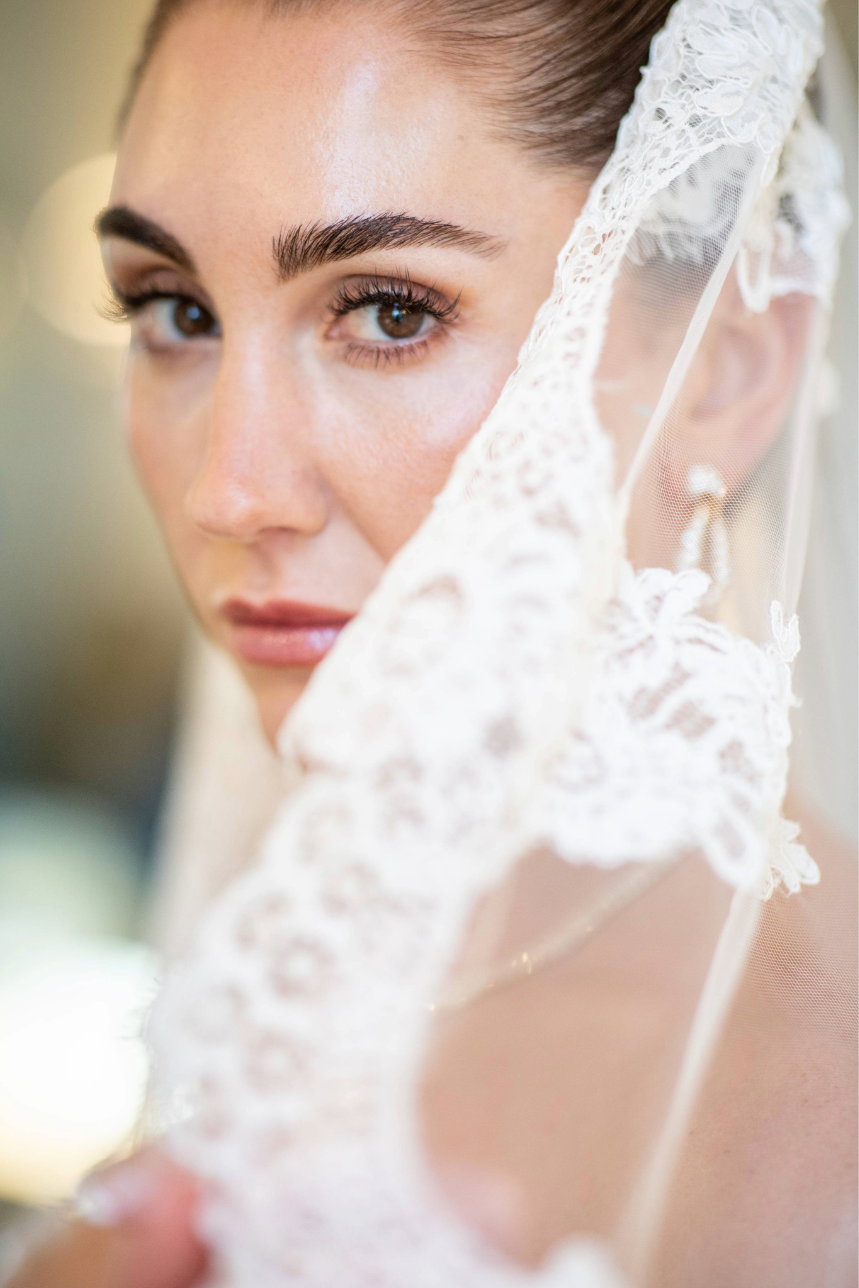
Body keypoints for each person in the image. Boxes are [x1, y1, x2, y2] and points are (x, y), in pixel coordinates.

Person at [7, 0, 856, 1285]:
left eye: (391, 312)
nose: (230, 494)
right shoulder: (295, 955)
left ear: (723, 371)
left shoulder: (824, 1116)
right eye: (173, 309)